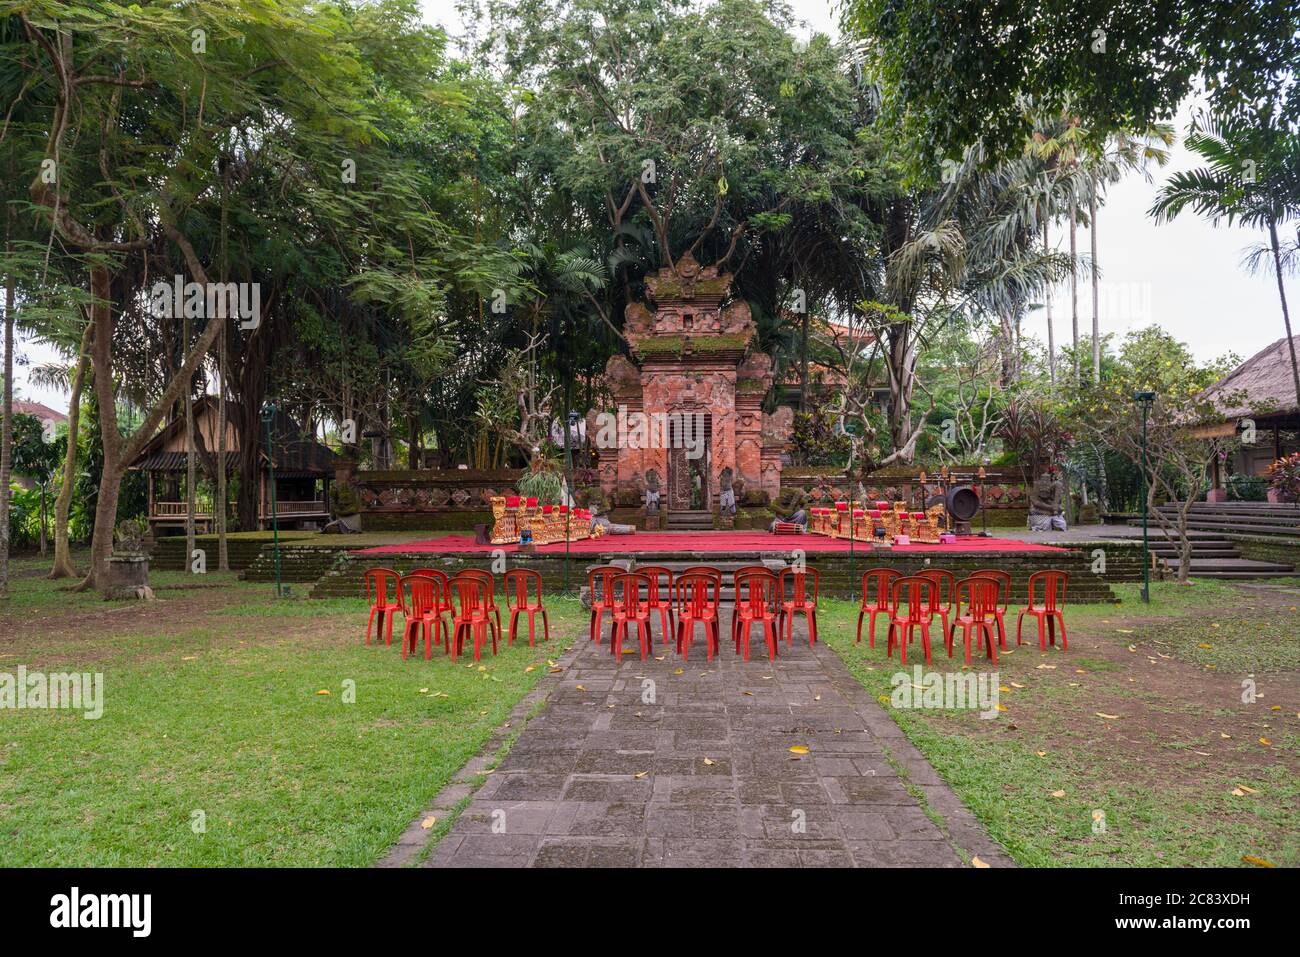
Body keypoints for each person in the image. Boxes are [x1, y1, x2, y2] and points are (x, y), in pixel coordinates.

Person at [1027, 466, 1068, 531]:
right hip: (1040, 512)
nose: (1044, 484)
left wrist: (1055, 506)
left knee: (1061, 525)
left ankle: (1055, 526)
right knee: (1043, 525)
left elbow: (1058, 502)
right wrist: (1050, 507)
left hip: (1054, 512)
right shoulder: (1036, 486)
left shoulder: (1056, 486)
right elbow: (1035, 502)